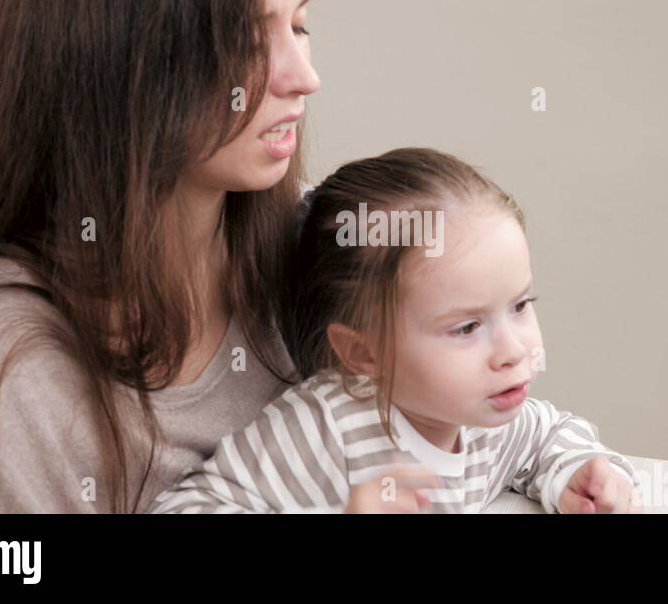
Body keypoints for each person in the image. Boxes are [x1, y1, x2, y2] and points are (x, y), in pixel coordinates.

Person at [0, 0, 320, 513]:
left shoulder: (317, 265)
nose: (304, 78)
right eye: (244, 37)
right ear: (123, 58)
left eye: (299, 25)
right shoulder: (10, 368)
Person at [150, 148, 641, 514]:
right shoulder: (329, 428)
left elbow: (552, 434)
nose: (513, 351)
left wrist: (582, 475)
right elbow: (185, 506)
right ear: (363, 354)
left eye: (520, 306)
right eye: (467, 327)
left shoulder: (485, 420)